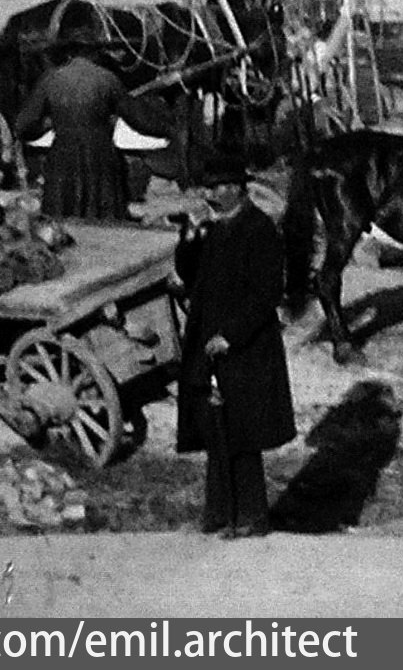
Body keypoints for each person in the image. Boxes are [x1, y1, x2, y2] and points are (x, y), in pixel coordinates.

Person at [175, 170, 296, 538]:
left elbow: (268, 292)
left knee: (243, 433)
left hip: (246, 347)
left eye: (216, 186)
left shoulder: (259, 229)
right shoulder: (215, 228)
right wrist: (190, 236)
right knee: (216, 429)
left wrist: (231, 336)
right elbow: (189, 273)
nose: (209, 193)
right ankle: (219, 512)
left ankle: (252, 516)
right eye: (208, 186)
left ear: (236, 188)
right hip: (210, 341)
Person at [13, 41, 134, 221]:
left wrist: (48, 125)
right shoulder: (108, 79)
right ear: (95, 53)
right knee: (105, 223)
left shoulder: (51, 79)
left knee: (60, 219)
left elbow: (22, 127)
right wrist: (168, 129)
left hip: (63, 158)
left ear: (68, 54)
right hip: (100, 160)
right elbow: (139, 119)